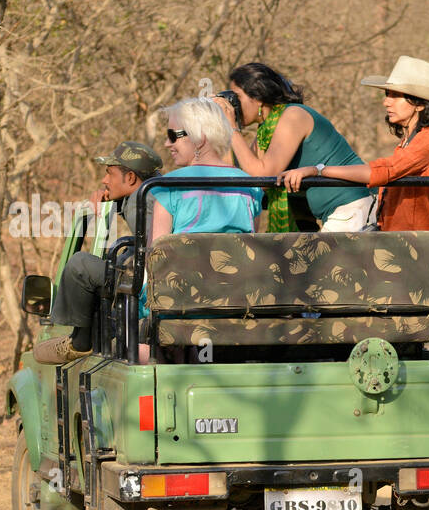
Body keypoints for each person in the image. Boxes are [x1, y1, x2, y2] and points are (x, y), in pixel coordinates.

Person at [34, 100, 261, 365]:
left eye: (172, 135)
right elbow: (246, 251)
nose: (166, 144)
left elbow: (155, 266)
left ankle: (82, 342)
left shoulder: (167, 187)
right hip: (233, 308)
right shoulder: (251, 186)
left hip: (176, 316)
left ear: (199, 138)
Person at [280, 56, 429, 231]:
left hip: (414, 243)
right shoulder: (408, 141)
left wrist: (318, 170)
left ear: (420, 104)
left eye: (396, 96)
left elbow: (384, 170)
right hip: (398, 238)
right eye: (387, 94)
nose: (386, 102)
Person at [32, 141, 163, 365]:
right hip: (161, 282)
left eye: (109, 174)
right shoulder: (154, 193)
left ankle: (81, 342)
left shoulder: (139, 205)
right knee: (118, 255)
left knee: (80, 264)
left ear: (130, 178)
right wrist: (113, 202)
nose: (104, 180)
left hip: (148, 285)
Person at [216, 62, 375, 231]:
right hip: (337, 213)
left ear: (258, 97)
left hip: (352, 208)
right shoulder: (266, 130)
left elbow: (262, 177)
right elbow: (240, 177)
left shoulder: (293, 116)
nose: (233, 105)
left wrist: (232, 128)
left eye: (236, 97)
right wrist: (222, 127)